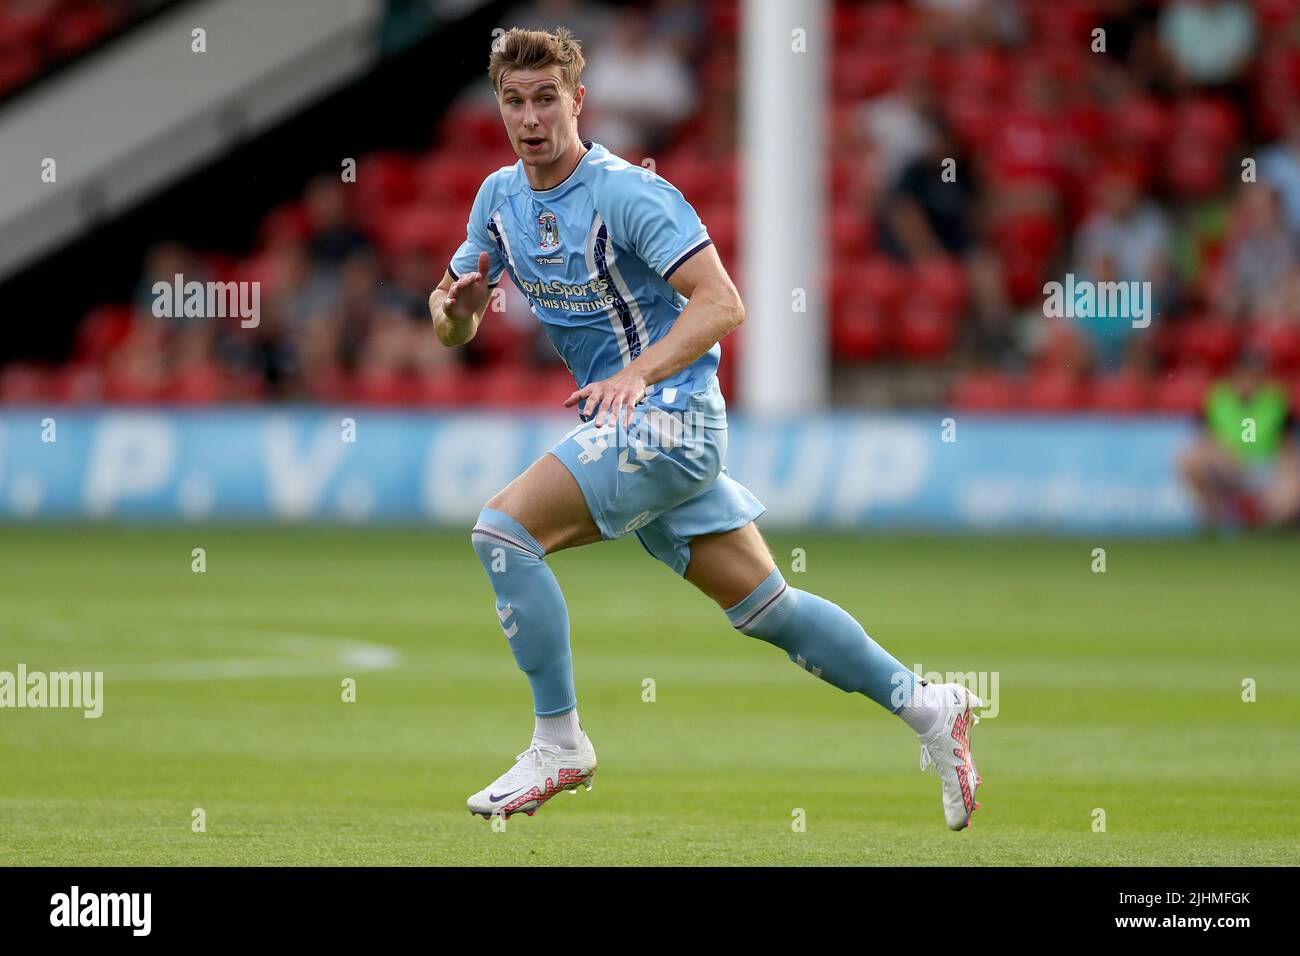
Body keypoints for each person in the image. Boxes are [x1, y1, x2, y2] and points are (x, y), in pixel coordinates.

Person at [428, 27, 984, 830]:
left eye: (546, 98)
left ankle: (559, 743)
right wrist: (456, 314)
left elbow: (723, 302)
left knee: (503, 534)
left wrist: (636, 374)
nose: (530, 118)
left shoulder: (627, 194)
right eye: (514, 101)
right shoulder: (496, 199)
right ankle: (932, 710)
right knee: (771, 611)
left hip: (671, 417)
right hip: (628, 424)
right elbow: (449, 322)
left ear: (577, 101)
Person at [1180, 349, 1300, 529]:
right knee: (1188, 460)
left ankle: (1260, 523)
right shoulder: (1218, 396)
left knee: (1292, 491)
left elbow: (1287, 444)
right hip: (1230, 465)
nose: (1250, 379)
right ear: (1235, 372)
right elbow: (1204, 438)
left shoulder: (1275, 398)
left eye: (1255, 373)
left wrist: (1288, 476)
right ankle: (1217, 517)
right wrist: (1221, 453)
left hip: (1266, 467)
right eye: (1246, 372)